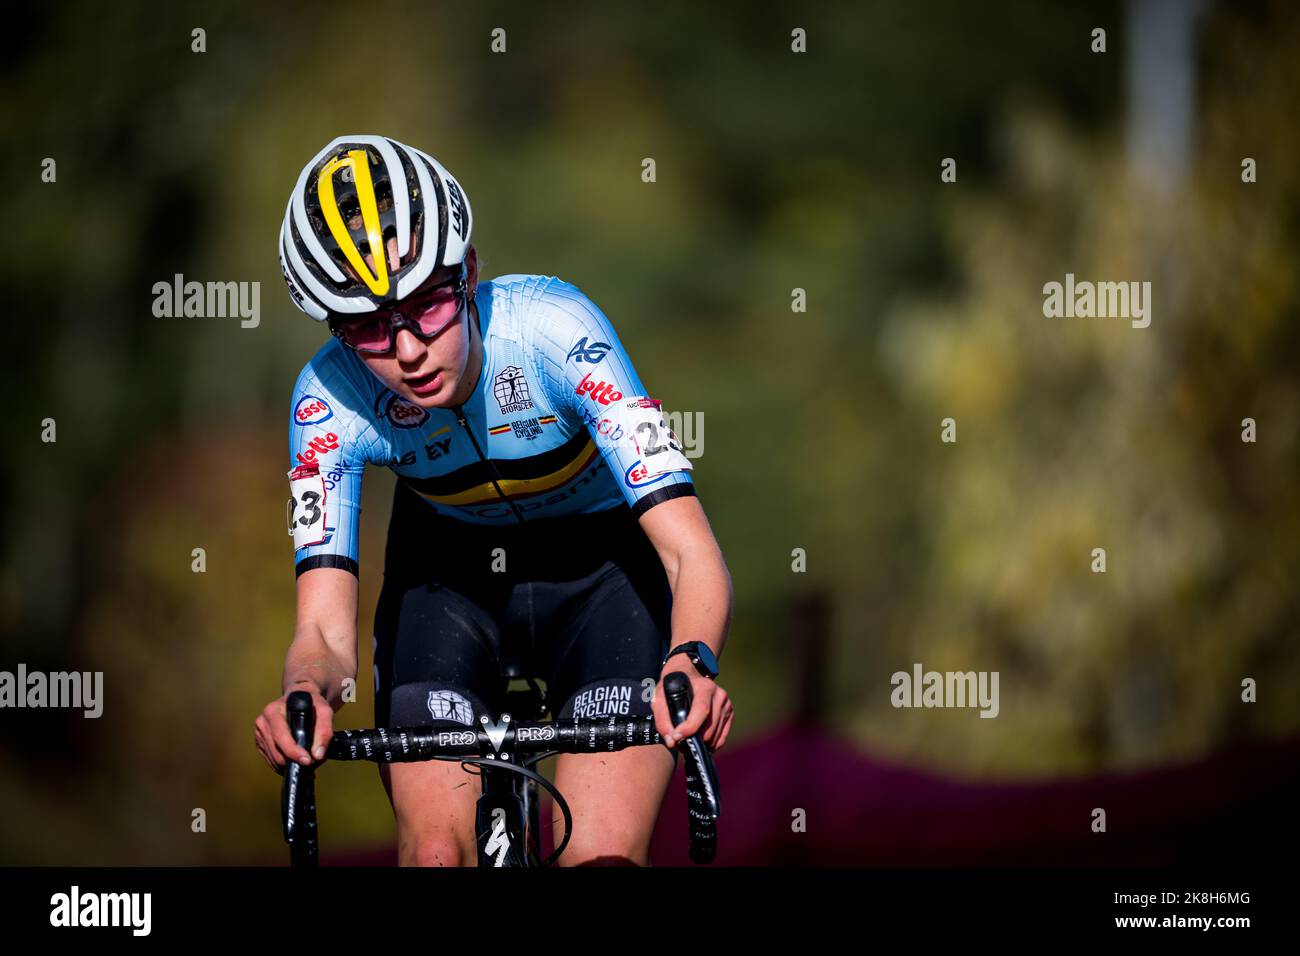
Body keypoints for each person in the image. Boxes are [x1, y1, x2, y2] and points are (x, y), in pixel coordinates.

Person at [253, 135, 734, 866]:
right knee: (436, 856)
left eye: (427, 306)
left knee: (601, 859)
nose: (409, 349)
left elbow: (689, 551)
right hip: (449, 585)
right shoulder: (327, 402)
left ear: (469, 272)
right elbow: (323, 634)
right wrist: (306, 694)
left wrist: (691, 661)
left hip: (604, 577)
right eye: (368, 327)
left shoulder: (556, 332)